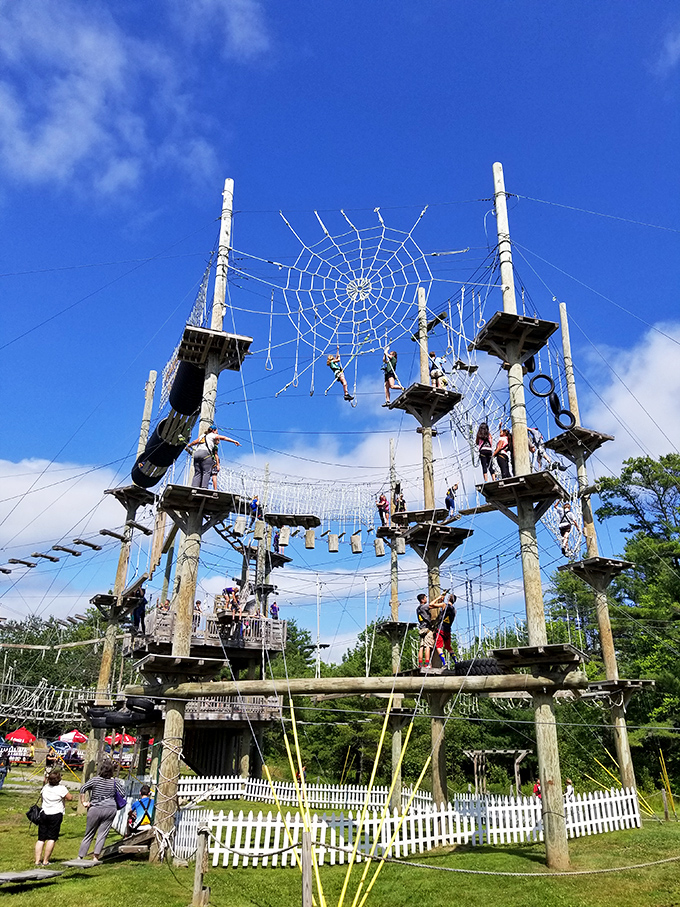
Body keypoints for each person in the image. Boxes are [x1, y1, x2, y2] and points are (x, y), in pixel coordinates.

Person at [77, 762, 125, 862]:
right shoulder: (114, 782)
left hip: (95, 808)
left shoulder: (95, 780)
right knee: (102, 834)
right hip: (110, 809)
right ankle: (95, 857)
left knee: (89, 833)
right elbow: (123, 793)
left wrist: (84, 802)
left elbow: (83, 788)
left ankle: (80, 856)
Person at [34, 770, 73, 865]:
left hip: (44, 813)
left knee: (41, 838)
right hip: (55, 814)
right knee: (51, 838)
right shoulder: (61, 789)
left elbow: (42, 797)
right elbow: (70, 798)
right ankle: (45, 861)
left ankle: (37, 860)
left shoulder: (45, 787)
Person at [432, 592, 457, 667]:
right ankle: (456, 661)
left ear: (448, 598)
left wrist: (440, 597)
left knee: (439, 647)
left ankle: (444, 663)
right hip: (448, 630)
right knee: (449, 647)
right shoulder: (454, 611)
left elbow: (432, 604)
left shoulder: (444, 605)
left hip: (441, 629)